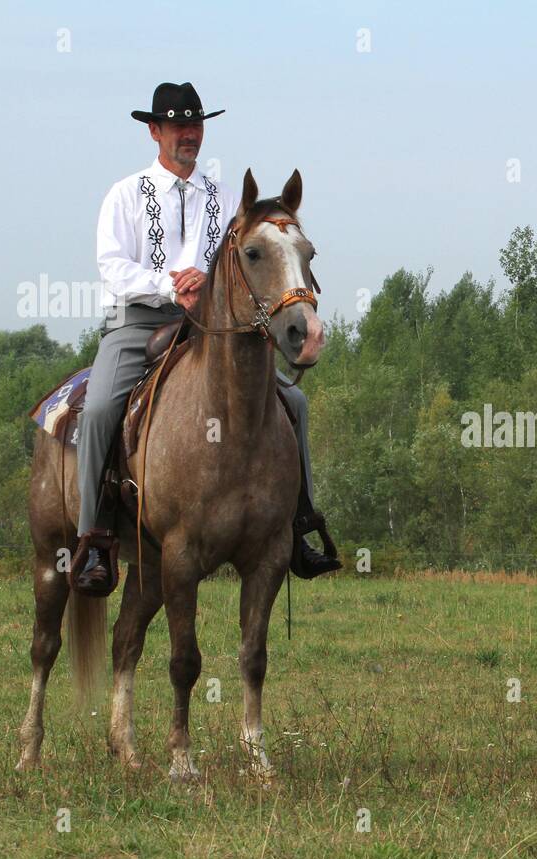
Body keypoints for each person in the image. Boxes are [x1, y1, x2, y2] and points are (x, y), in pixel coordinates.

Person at [73, 81, 340, 595]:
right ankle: (96, 537)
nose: (188, 134)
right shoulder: (126, 194)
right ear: (154, 131)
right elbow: (111, 266)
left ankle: (298, 524)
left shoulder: (223, 200)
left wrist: (210, 285)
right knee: (102, 406)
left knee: (297, 402)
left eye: (195, 125)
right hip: (139, 321)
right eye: (177, 125)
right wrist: (171, 282)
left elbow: (241, 266)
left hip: (208, 328)